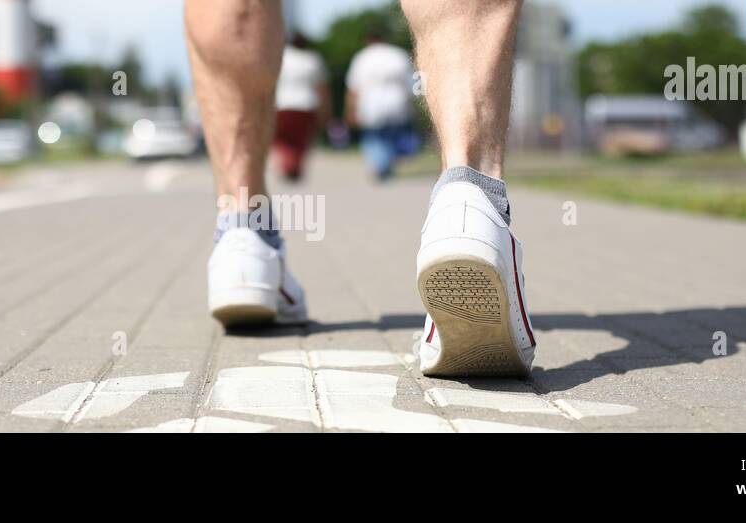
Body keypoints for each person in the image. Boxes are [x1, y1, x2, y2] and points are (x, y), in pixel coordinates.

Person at [189, 0, 534, 378]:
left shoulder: (360, 61)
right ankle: (469, 195)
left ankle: (244, 229)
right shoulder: (379, 58)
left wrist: (347, 116)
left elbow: (352, 90)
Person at [344, 25, 417, 181]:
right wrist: (412, 105)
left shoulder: (362, 58)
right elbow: (410, 84)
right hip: (397, 102)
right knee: (392, 136)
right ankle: (386, 165)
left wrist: (350, 110)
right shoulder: (398, 55)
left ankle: (380, 166)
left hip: (371, 103)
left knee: (375, 137)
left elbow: (353, 88)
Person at [272, 33, 330, 183]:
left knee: (282, 139)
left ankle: (287, 165)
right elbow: (321, 88)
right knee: (301, 140)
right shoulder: (313, 60)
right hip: (306, 105)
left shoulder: (280, 58)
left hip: (282, 104)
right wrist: (325, 110)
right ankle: (295, 167)